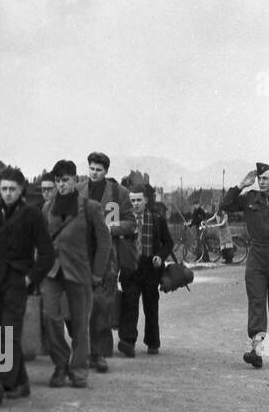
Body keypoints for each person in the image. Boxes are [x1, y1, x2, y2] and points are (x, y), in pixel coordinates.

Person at [0, 166, 55, 405]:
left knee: (8, 331)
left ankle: (0, 380)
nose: (7, 193)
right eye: (4, 188)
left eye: (12, 189)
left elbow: (48, 255)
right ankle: (22, 383)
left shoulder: (32, 216)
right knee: (1, 333)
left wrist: (29, 279)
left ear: (21, 190)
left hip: (17, 283)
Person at [39, 160, 111, 391]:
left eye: (66, 180)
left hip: (80, 273)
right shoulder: (48, 207)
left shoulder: (90, 207)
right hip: (52, 272)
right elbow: (41, 241)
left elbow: (104, 241)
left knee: (80, 325)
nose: (61, 185)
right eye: (58, 181)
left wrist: (98, 273)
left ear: (75, 179)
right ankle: (61, 365)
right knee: (50, 318)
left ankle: (79, 371)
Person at [80, 151, 136, 373]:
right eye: (92, 169)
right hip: (81, 253)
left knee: (103, 304)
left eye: (99, 170)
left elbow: (131, 223)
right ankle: (82, 350)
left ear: (106, 171)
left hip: (107, 256)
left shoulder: (118, 192)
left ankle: (100, 353)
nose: (94, 173)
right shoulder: (78, 190)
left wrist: (110, 228)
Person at [220, 163, 269, 367]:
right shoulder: (250, 198)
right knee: (257, 303)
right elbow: (224, 205)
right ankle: (258, 352)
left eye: (266, 178)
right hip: (257, 256)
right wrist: (240, 185)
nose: (261, 182)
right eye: (259, 179)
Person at [117, 172, 174, 358]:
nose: (135, 204)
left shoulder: (157, 220)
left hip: (150, 267)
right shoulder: (125, 221)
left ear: (146, 200)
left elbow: (168, 243)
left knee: (151, 306)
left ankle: (153, 342)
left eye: (138, 200)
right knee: (129, 304)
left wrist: (160, 256)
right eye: (132, 201)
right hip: (130, 268)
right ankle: (127, 342)